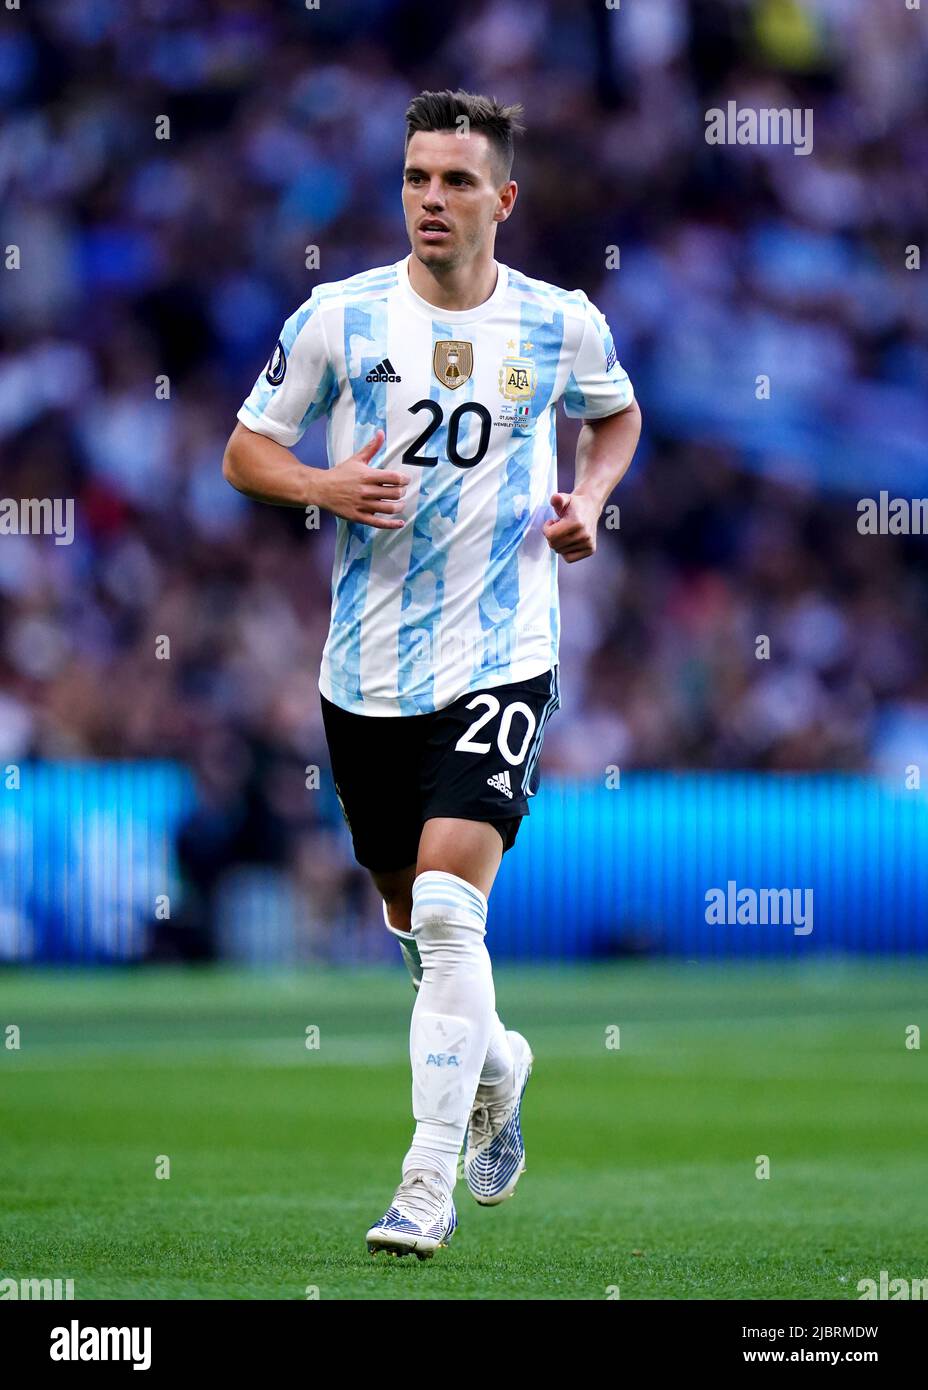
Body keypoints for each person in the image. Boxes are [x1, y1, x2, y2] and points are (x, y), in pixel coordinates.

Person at [222, 88, 641, 1258]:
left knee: (454, 911)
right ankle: (499, 1062)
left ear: (502, 199)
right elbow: (243, 447)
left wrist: (590, 504)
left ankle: (422, 1182)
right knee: (418, 936)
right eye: (415, 178)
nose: (430, 200)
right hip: (363, 676)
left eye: (456, 181)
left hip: (504, 655)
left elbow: (615, 419)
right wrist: (320, 486)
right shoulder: (338, 319)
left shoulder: (561, 324)